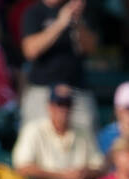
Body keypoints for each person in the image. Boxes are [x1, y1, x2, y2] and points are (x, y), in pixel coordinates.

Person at [12, 82, 104, 179]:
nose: (63, 109)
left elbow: (100, 168)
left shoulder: (83, 132)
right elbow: (23, 168)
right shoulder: (33, 130)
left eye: (67, 104)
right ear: (50, 106)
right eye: (59, 103)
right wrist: (62, 176)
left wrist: (85, 173)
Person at [19, 0, 95, 132]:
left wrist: (78, 23)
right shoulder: (34, 12)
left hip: (76, 90)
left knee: (85, 138)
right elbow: (30, 50)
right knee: (34, 135)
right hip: (41, 90)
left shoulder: (80, 11)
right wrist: (60, 23)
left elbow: (91, 48)